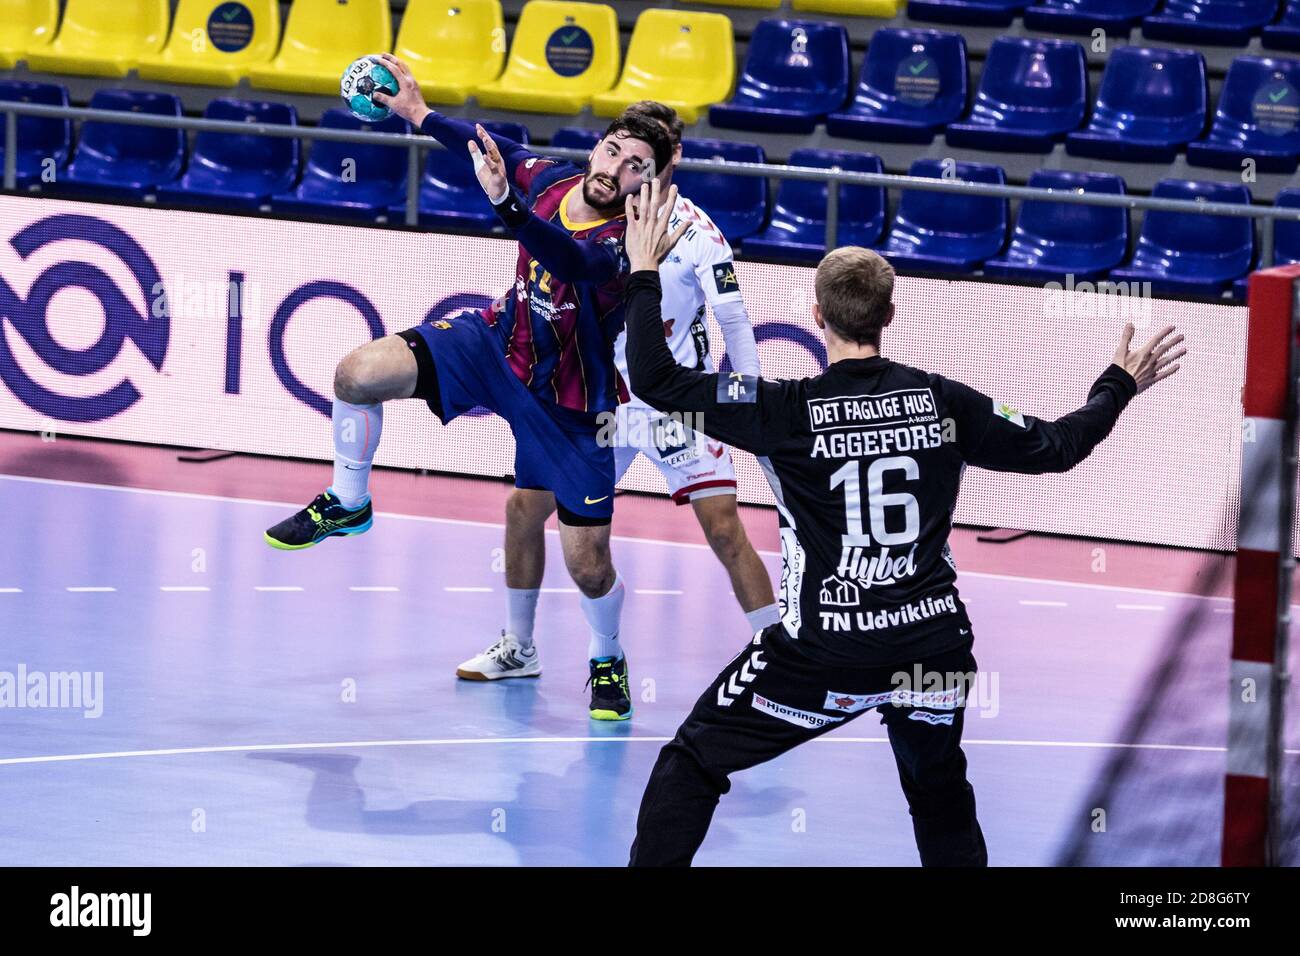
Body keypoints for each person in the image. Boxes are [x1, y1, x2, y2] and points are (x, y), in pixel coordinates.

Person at [618, 178, 1186, 865]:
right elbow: (1058, 448)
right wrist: (1118, 382)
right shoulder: (944, 401)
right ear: (890, 313)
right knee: (939, 791)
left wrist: (644, 270)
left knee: (691, 763)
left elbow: (655, 379)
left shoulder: (785, 410)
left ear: (816, 314)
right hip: (931, 649)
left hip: (822, 655)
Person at [262, 54, 674, 720]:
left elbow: (570, 259)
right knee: (356, 375)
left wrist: (508, 209)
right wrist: (419, 113)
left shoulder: (634, 241)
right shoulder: (549, 175)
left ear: (647, 180)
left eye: (634, 165)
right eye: (612, 149)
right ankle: (348, 500)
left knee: (589, 562)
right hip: (495, 346)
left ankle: (606, 656)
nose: (614, 167)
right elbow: (486, 145)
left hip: (572, 406)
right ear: (595, 146)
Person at [455, 102, 779, 701]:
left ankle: (777, 656)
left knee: (725, 529)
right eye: (621, 152)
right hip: (600, 400)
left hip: (676, 405)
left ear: (669, 160)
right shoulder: (595, 214)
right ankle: (519, 647)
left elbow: (734, 318)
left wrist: (749, 399)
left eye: (652, 155)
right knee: (524, 510)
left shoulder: (697, 232)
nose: (632, 165)